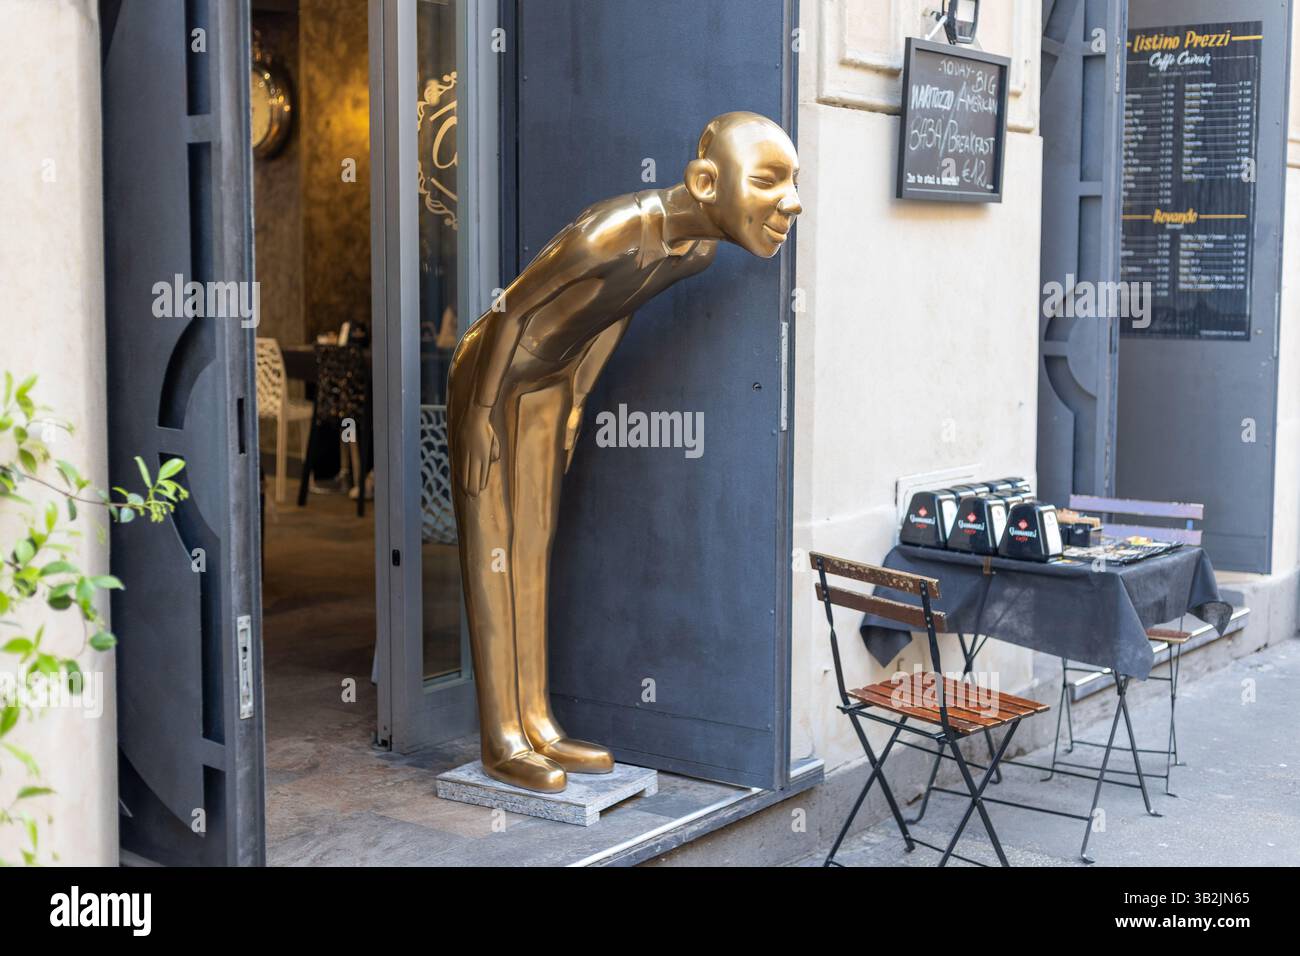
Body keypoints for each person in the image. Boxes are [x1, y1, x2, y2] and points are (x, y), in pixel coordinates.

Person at [448, 111, 801, 792]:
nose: (791, 202)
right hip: (491, 378)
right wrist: (479, 417)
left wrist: (577, 399)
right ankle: (502, 739)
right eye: (768, 181)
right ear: (705, 182)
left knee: (532, 549)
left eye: (793, 182)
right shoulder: (611, 230)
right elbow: (509, 311)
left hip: (551, 383)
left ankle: (538, 724)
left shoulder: (695, 251)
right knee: (495, 552)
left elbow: (615, 309)